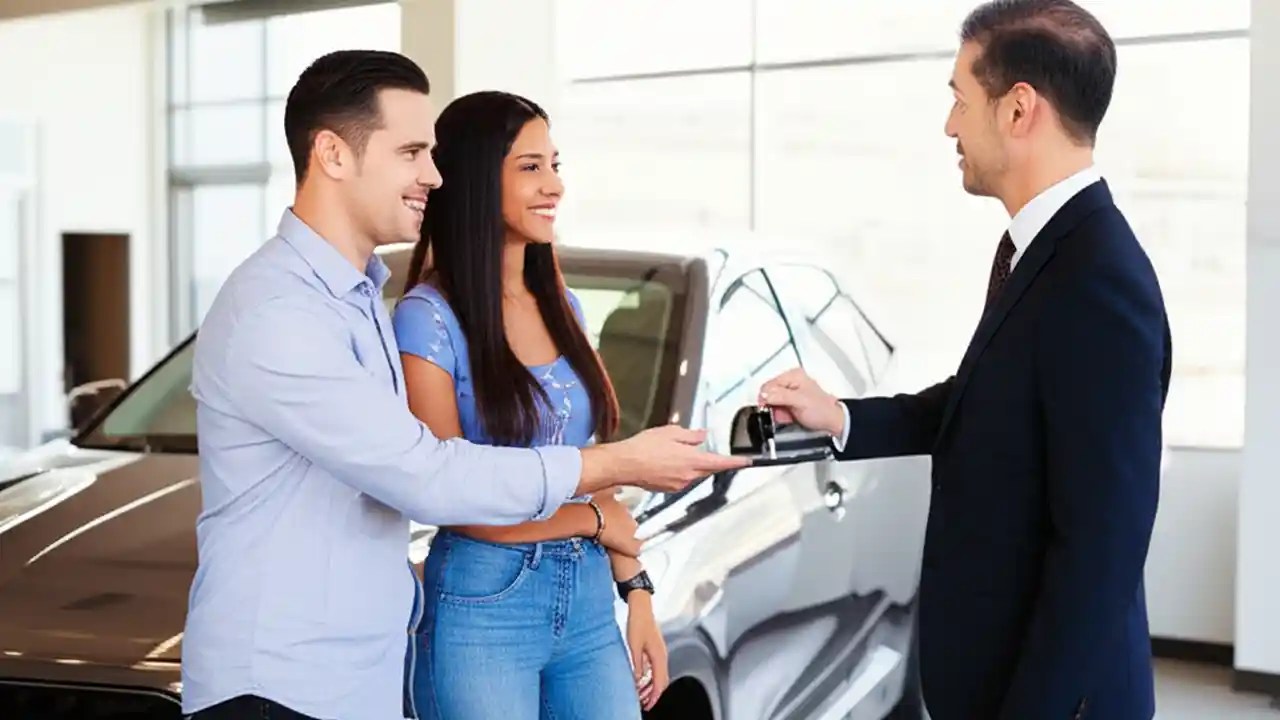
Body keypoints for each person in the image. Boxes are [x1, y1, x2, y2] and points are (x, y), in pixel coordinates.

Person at [180, 50, 746, 720]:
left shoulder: (357, 296)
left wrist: (628, 568)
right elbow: (429, 478)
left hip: (352, 679)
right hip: (277, 689)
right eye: (413, 152)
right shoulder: (282, 313)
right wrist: (614, 469)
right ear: (332, 154)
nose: (433, 175)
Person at [758, 2, 1171, 719]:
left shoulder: (1098, 281)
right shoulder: (1042, 252)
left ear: (1018, 110)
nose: (950, 125)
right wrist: (841, 416)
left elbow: (1101, 551)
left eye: (958, 97)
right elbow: (982, 404)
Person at [393, 90, 664, 719]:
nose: (555, 187)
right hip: (486, 605)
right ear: (474, 180)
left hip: (592, 599)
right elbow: (452, 497)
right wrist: (589, 523)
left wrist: (637, 589)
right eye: (530, 167)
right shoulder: (427, 321)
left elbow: (589, 467)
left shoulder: (563, 308)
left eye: (555, 165)